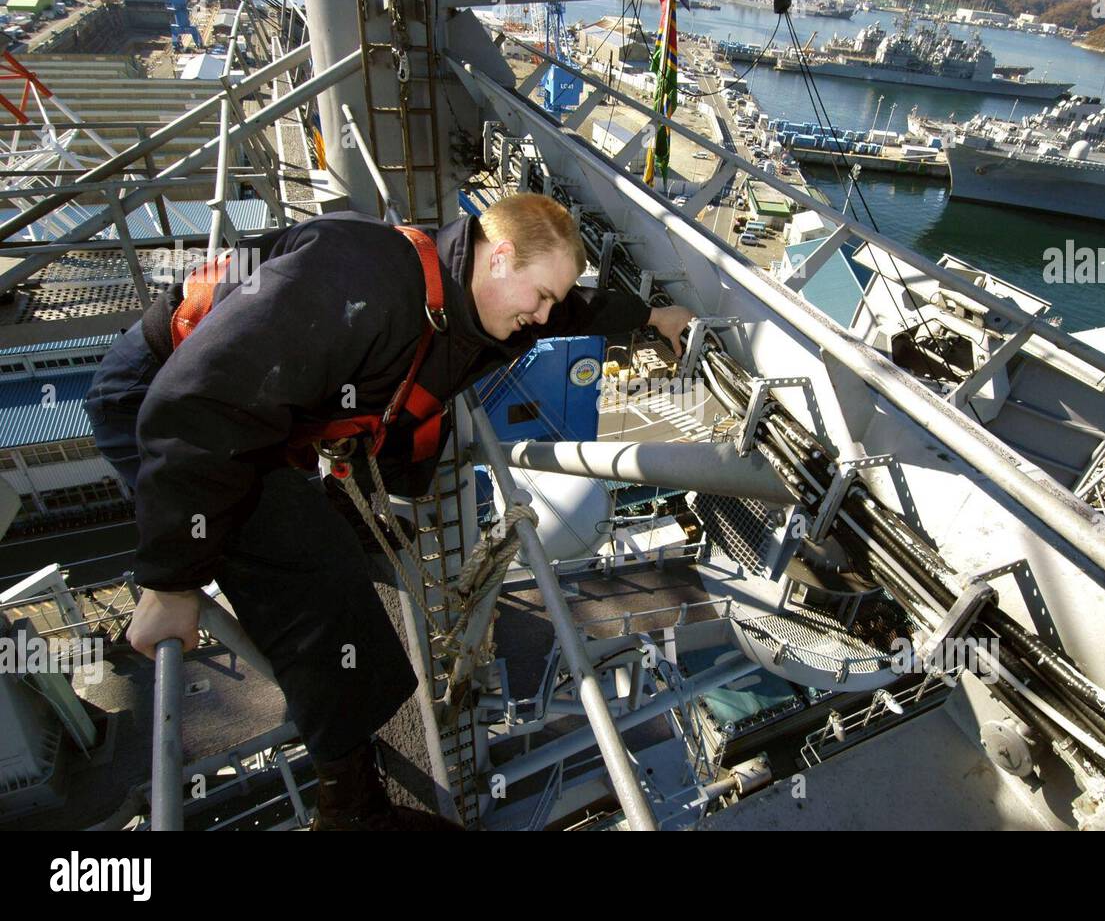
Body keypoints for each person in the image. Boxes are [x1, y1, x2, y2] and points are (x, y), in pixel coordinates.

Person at [84, 193, 694, 829]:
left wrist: (651, 317)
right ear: (502, 257)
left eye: (549, 302)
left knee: (324, 545)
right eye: (537, 296)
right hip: (166, 403)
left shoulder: (474, 297)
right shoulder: (362, 280)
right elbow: (201, 405)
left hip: (245, 412)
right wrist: (171, 580)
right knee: (312, 578)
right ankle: (350, 810)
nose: (541, 317)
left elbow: (570, 307)